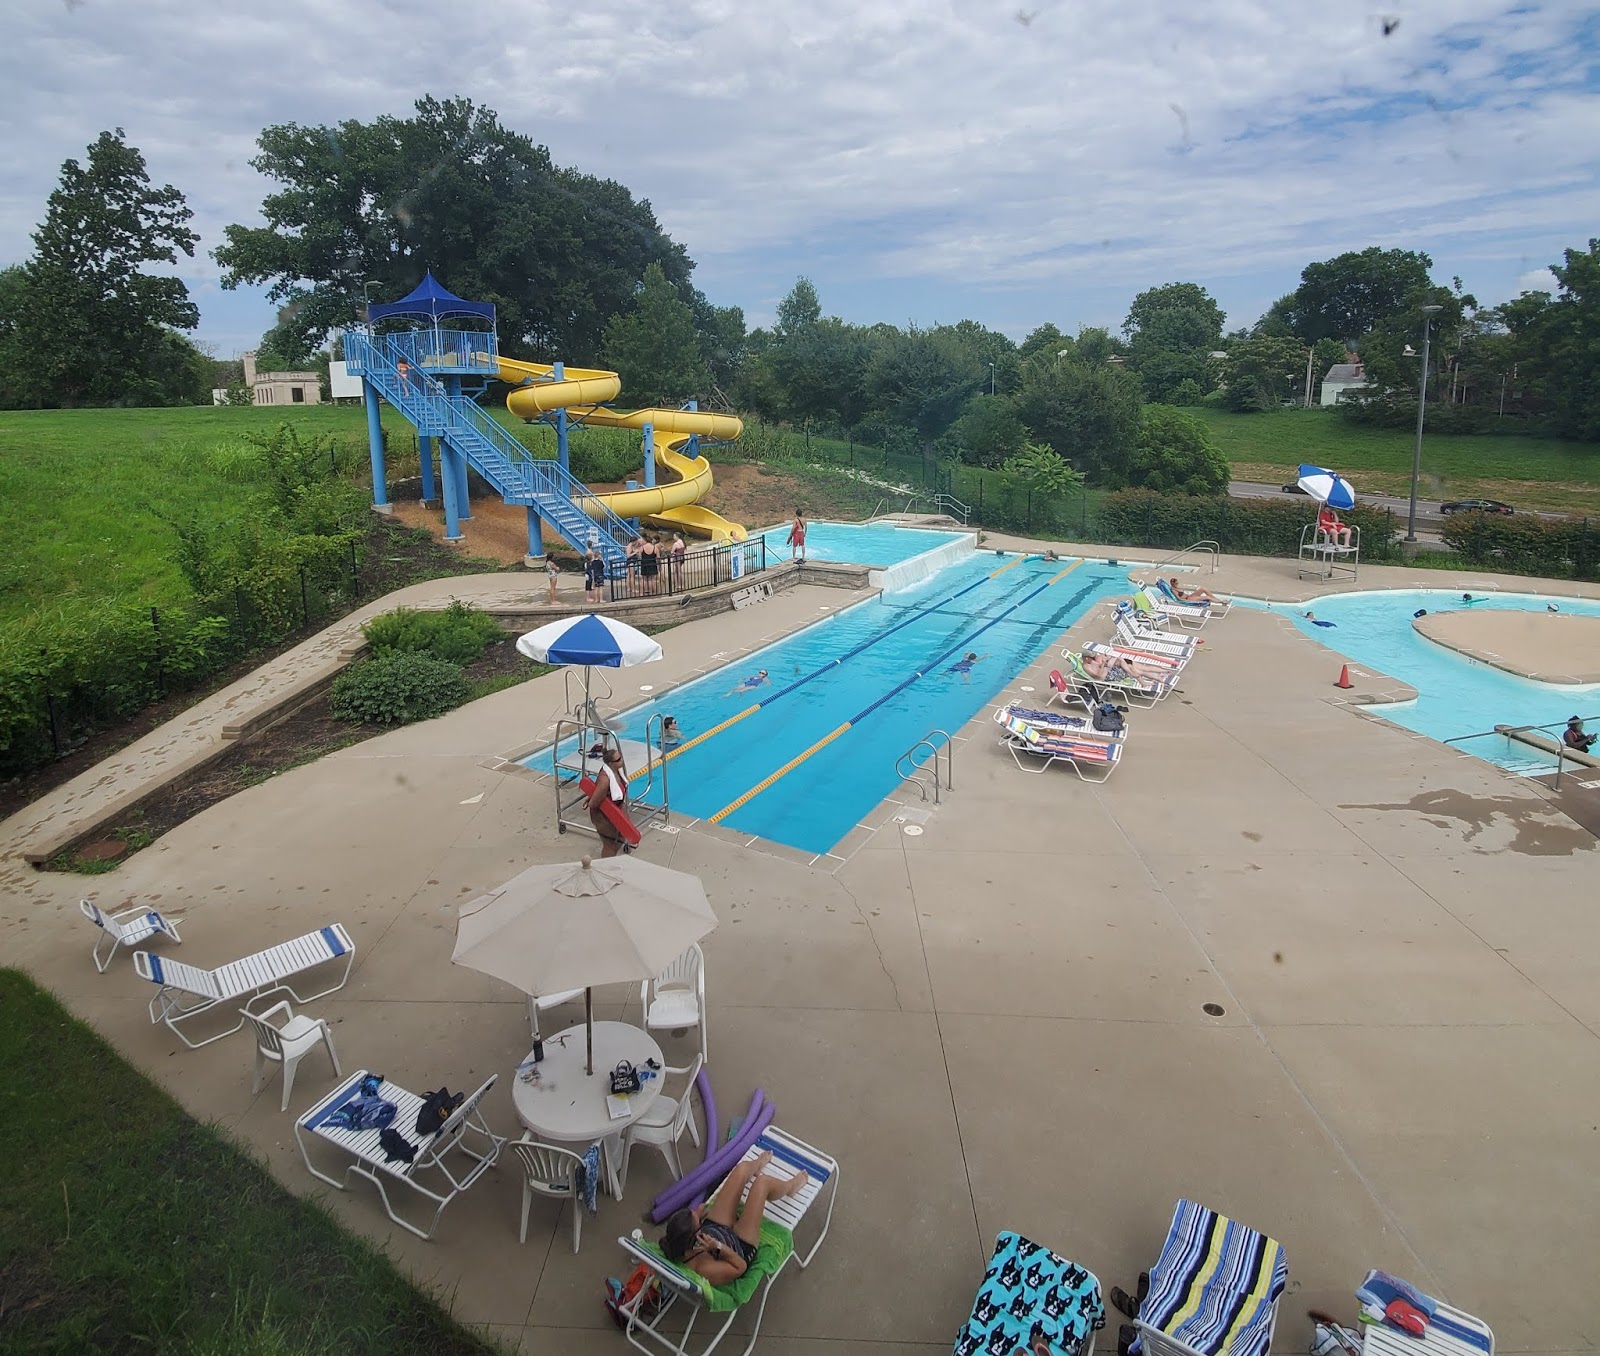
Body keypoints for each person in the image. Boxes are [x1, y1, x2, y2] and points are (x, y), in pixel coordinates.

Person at [659, 1150, 808, 1286]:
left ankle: (756, 1166)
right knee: (763, 1184)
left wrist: (697, 1214)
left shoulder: (678, 1241)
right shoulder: (704, 1268)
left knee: (741, 1169)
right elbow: (740, 1267)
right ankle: (790, 1187)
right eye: (697, 1221)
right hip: (739, 1248)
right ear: (695, 1234)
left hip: (713, 1231)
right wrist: (717, 1248)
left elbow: (691, 1224)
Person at [586, 745, 633, 858]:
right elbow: (594, 803)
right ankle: (606, 867)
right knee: (609, 845)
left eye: (621, 757)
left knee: (621, 837)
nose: (621, 761)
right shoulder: (605, 780)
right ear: (611, 763)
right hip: (603, 816)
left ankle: (611, 859)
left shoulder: (617, 771)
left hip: (617, 809)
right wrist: (591, 800)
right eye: (618, 760)